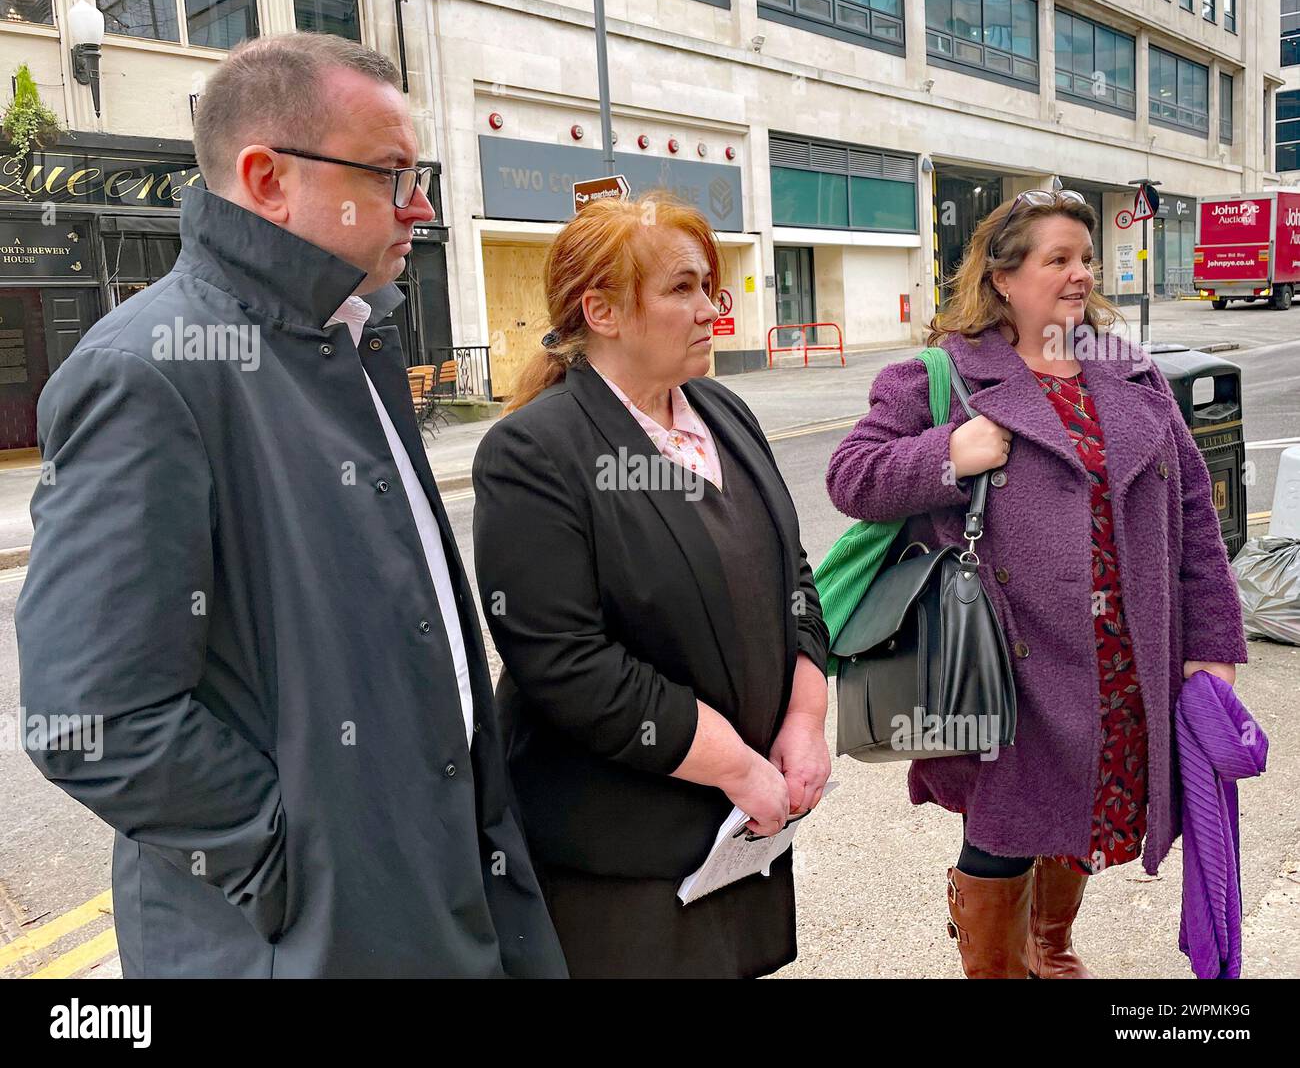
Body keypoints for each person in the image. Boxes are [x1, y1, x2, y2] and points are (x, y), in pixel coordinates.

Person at [16, 33, 565, 978]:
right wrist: (294, 862)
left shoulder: (352, 337)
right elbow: (92, 714)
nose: (422, 206)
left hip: (438, 900)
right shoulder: (147, 372)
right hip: (307, 937)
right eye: (393, 174)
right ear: (267, 178)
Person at [826, 190, 1247, 979]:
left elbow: (1194, 514)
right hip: (1010, 658)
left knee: (1090, 801)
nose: (1081, 274)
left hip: (1124, 653)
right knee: (1003, 828)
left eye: (1086, 258)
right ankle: (995, 965)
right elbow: (853, 477)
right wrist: (954, 451)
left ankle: (1049, 944)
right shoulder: (942, 373)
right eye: (1059, 259)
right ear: (1004, 276)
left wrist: (1212, 645)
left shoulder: (1129, 370)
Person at [472, 192, 830, 978]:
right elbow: (564, 662)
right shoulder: (534, 452)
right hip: (619, 860)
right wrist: (734, 763)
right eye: (680, 288)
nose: (710, 308)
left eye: (709, 285)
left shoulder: (724, 410)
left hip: (737, 834)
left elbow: (792, 576)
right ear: (600, 310)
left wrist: (805, 714)